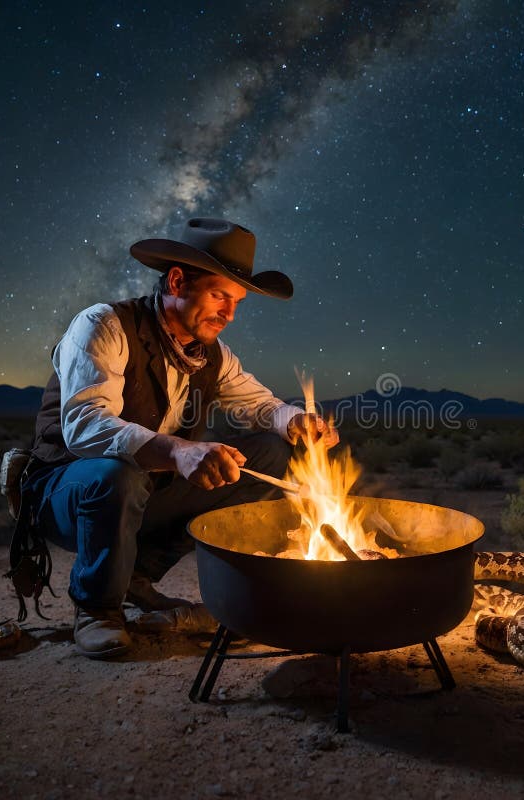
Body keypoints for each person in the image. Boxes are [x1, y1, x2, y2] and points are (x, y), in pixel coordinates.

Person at [20, 217, 337, 659]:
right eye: (219, 296)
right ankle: (97, 608)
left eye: (236, 301)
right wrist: (178, 450)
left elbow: (262, 405)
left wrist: (294, 421)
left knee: (270, 452)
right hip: (66, 491)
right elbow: (84, 425)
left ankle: (135, 575)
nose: (229, 314)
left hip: (144, 491)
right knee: (116, 474)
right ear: (175, 280)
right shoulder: (103, 325)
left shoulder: (212, 356)